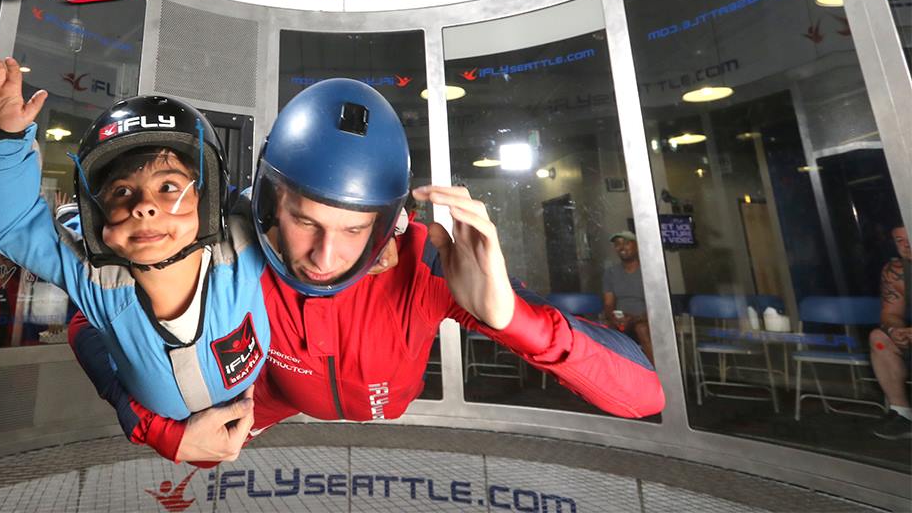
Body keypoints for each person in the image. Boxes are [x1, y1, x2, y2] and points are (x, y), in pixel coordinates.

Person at [70, 79, 665, 464]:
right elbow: (88, 320)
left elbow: (643, 395)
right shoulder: (224, 246)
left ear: (390, 226)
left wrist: (513, 319)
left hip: (381, 399)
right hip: (266, 402)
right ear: (268, 202)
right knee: (201, 449)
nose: (325, 259)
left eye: (354, 231)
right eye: (304, 222)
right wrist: (158, 431)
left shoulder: (429, 262)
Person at [0, 56, 270, 426]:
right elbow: (16, 226)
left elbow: (300, 205)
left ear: (206, 200)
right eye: (122, 192)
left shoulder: (243, 247)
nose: (145, 208)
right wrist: (0, 142)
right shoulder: (96, 280)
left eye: (169, 187)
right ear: (97, 215)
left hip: (255, 401)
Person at [870, 223, 911, 440]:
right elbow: (890, 313)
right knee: (879, 339)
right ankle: (903, 414)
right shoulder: (896, 272)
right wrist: (896, 330)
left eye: (910, 237)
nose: (906, 245)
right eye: (899, 241)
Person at [602, 230, 652, 364]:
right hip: (622, 321)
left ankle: (655, 375)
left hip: (645, 320)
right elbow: (608, 304)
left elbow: (657, 305)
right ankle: (616, 377)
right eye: (618, 244)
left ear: (636, 245)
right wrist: (613, 318)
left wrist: (636, 318)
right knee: (605, 330)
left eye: (627, 243)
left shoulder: (649, 271)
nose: (622, 247)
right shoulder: (611, 273)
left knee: (641, 329)